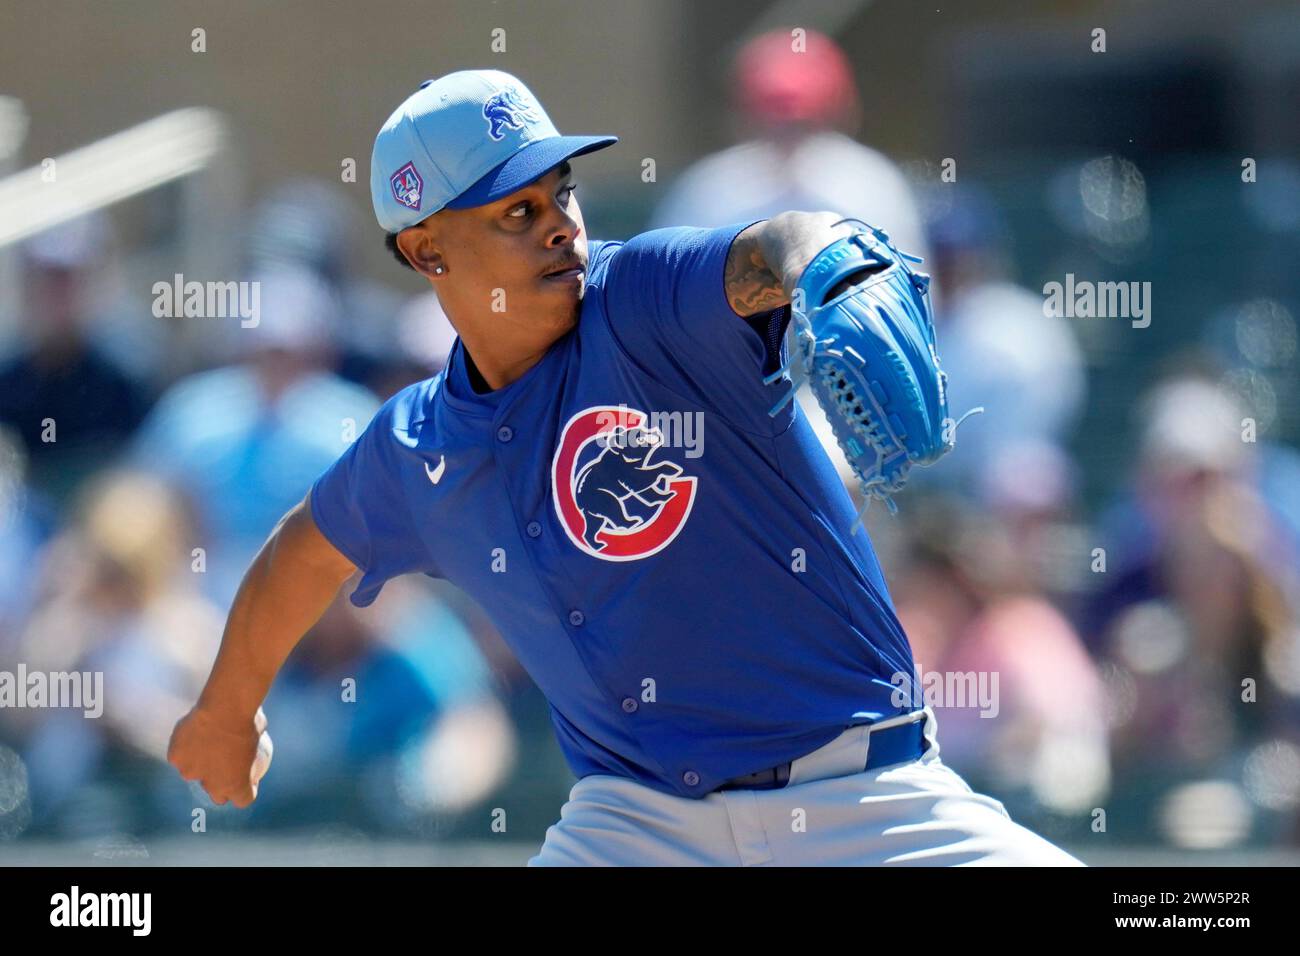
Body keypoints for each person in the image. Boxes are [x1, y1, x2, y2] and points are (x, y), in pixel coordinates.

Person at [167, 69, 1083, 866]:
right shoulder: (415, 448)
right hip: (638, 824)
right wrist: (224, 712)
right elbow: (303, 553)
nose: (559, 227)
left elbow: (773, 246)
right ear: (425, 249)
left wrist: (832, 266)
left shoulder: (643, 302)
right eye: (516, 212)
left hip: (862, 798)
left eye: (560, 192)